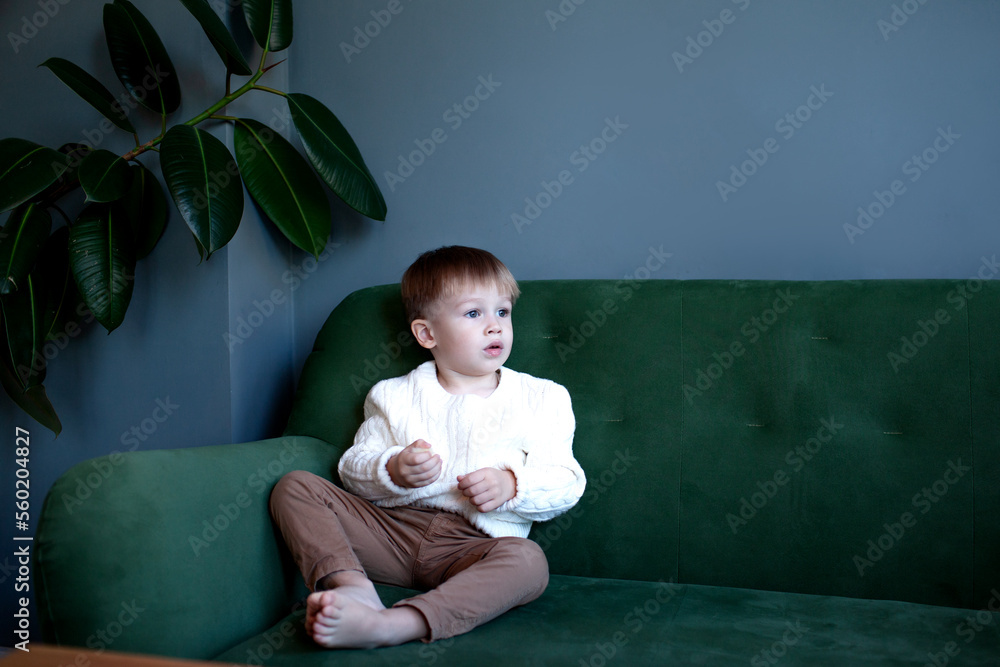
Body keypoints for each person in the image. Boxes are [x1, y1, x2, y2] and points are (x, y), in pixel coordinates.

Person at [269, 245, 587, 649]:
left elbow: (567, 482)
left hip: (473, 547)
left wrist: (512, 485)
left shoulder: (542, 398)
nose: (495, 326)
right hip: (390, 533)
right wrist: (393, 470)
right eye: (474, 313)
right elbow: (354, 468)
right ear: (426, 333)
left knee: (529, 563)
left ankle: (395, 624)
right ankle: (353, 587)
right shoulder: (393, 395)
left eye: (503, 312)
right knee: (295, 486)